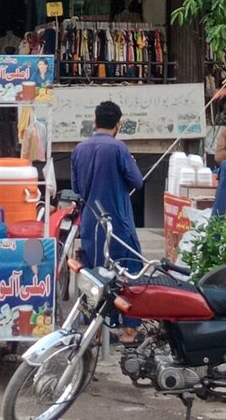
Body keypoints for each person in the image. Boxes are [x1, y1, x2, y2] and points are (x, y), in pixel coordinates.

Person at [71, 101, 143, 345]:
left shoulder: (79, 149)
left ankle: (95, 332)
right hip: (119, 225)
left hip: (91, 224)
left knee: (92, 275)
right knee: (130, 274)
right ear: (118, 124)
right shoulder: (118, 148)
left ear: (95, 121)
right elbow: (138, 182)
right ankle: (129, 331)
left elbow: (76, 188)